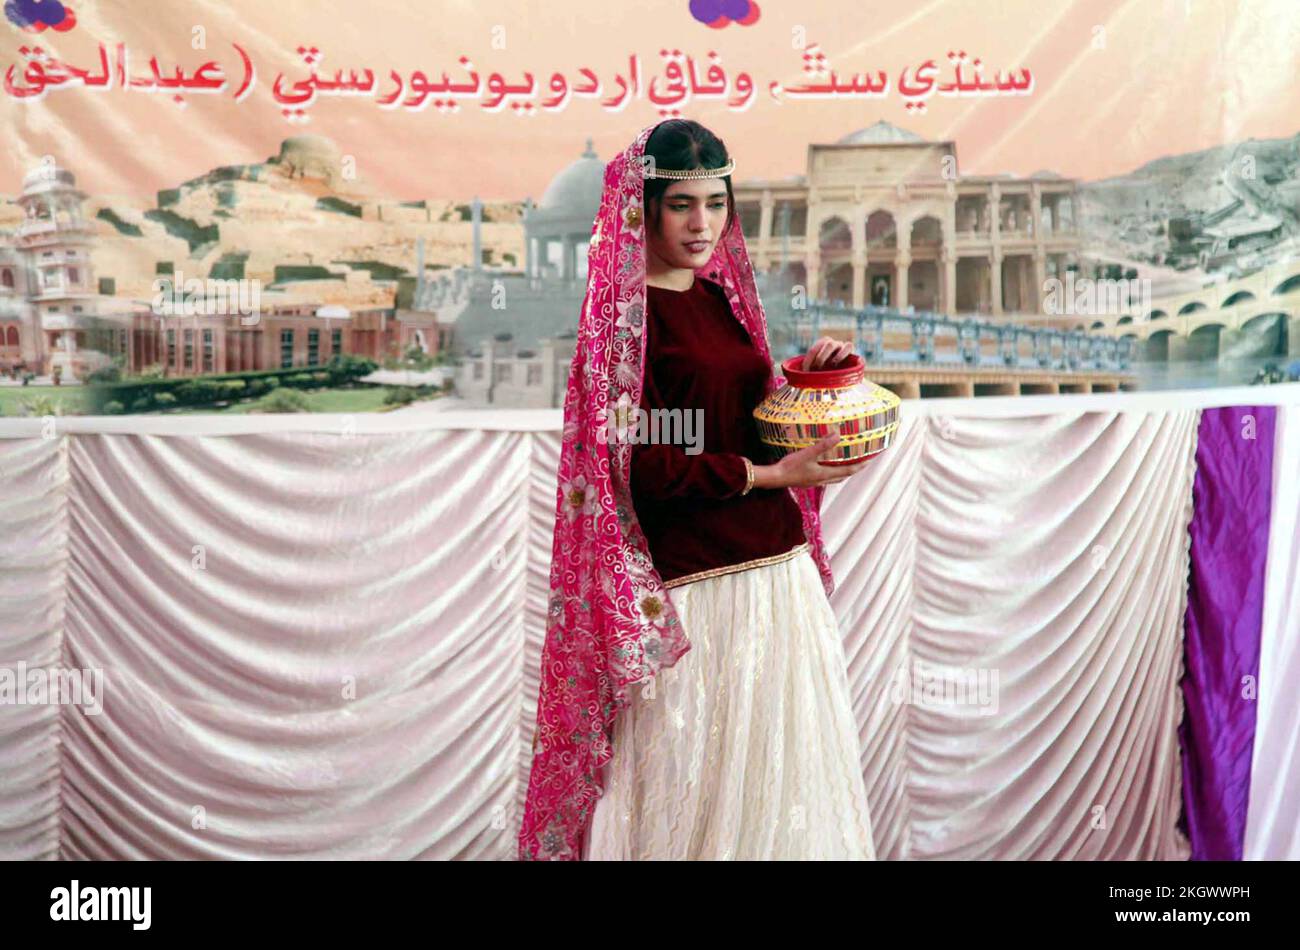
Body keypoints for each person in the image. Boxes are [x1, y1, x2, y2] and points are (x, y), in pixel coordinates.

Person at [517, 118, 876, 861]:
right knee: (687, 793)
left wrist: (812, 377)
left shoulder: (719, 300)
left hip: (777, 579)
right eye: (682, 204)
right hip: (694, 596)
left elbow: (738, 421)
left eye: (716, 204)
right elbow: (641, 467)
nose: (702, 223)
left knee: (781, 793)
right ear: (640, 209)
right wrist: (772, 476)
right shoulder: (626, 321)